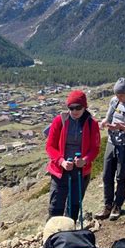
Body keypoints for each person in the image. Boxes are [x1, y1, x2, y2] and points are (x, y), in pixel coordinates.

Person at [46, 90, 101, 222]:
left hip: (80, 172)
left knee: (73, 208)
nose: (75, 111)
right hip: (60, 171)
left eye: (78, 108)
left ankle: (69, 236)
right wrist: (61, 161)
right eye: (71, 108)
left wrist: (85, 160)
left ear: (85, 107)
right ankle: (52, 238)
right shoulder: (60, 121)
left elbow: (95, 148)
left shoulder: (92, 124)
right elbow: (50, 146)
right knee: (55, 208)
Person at [95, 78, 125, 221]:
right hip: (112, 141)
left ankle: (118, 205)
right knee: (106, 175)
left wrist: (122, 127)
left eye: (121, 95)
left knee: (120, 176)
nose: (118, 97)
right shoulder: (114, 101)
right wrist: (105, 123)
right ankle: (107, 205)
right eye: (117, 94)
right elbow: (108, 117)